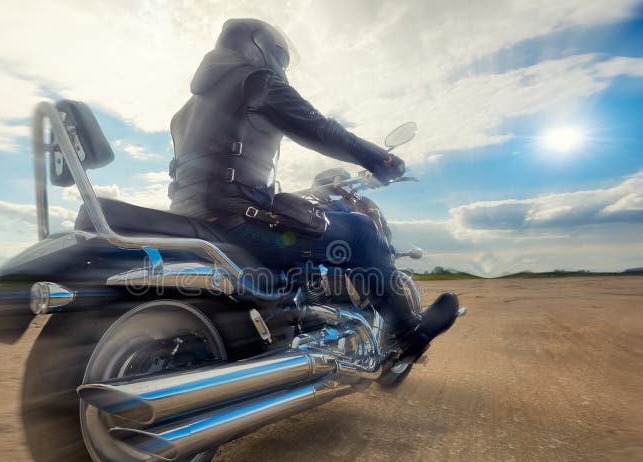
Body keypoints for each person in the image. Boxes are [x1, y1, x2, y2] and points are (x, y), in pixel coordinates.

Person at [168, 18, 457, 360]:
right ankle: (409, 332)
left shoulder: (183, 113)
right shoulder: (255, 80)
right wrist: (381, 161)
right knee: (361, 231)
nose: (283, 66)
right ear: (259, 47)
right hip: (239, 221)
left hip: (193, 220)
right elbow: (319, 128)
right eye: (282, 58)